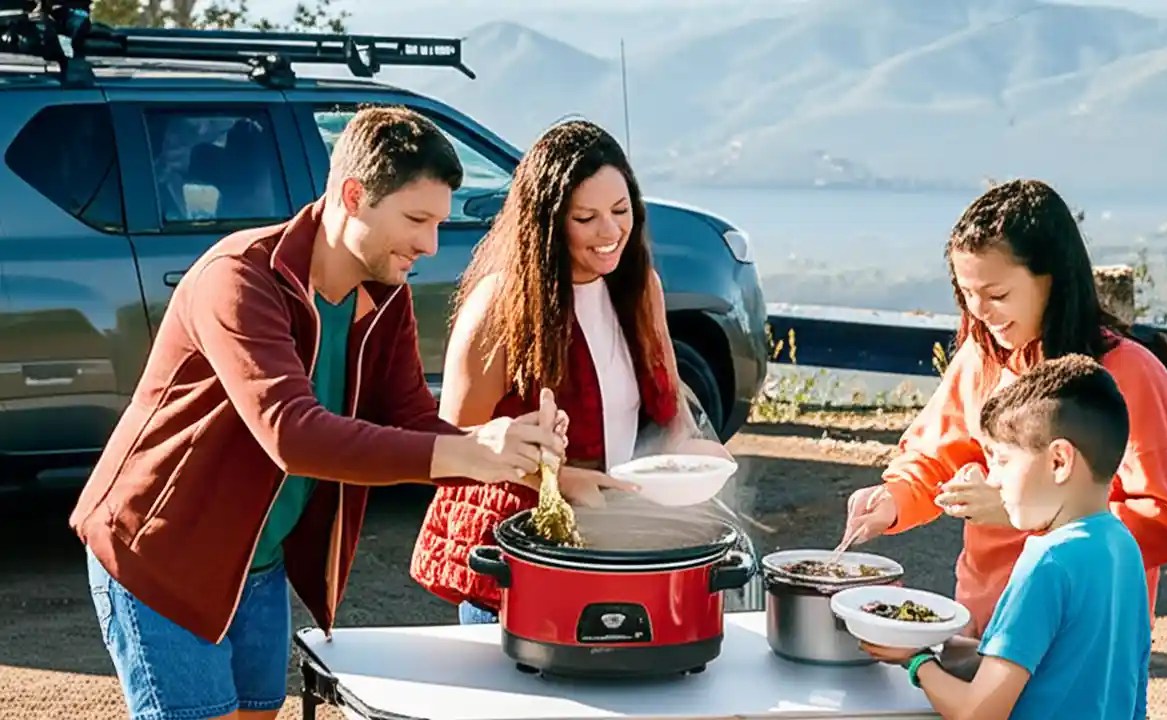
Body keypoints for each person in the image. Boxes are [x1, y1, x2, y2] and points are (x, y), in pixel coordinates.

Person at [70, 106, 567, 720]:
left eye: (438, 223)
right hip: (161, 556)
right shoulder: (240, 278)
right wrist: (470, 451)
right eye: (416, 219)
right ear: (353, 196)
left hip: (258, 561)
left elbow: (412, 421)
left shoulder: (386, 298)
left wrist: (509, 453)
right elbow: (291, 432)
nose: (430, 245)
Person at [843, 178, 1167, 636]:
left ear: (1052, 277)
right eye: (967, 295)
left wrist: (1028, 515)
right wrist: (892, 500)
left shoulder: (1131, 375)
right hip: (986, 622)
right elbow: (935, 458)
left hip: (1087, 636)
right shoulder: (981, 359)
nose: (980, 314)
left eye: (997, 295)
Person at [410, 119, 732, 624]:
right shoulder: (499, 305)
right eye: (587, 217)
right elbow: (450, 450)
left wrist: (691, 450)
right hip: (518, 564)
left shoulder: (640, 287)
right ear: (548, 221)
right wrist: (554, 480)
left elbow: (670, 413)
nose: (611, 233)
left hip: (613, 551)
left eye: (621, 212)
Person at [860, 354, 1151, 720]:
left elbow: (976, 712)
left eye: (1001, 460)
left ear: (1059, 461)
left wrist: (916, 661)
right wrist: (936, 644)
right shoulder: (1123, 547)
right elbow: (1119, 683)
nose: (993, 479)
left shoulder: (1047, 562)